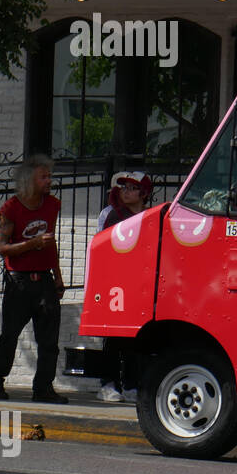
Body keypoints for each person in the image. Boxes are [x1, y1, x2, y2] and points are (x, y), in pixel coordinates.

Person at [0, 154, 68, 404]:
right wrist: (32, 243)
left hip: (44, 280)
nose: (48, 181)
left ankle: (43, 388)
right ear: (28, 180)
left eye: (49, 176)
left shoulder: (52, 205)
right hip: (18, 281)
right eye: (43, 176)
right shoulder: (11, 209)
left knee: (49, 339)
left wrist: (58, 277)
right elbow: (2, 248)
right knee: (10, 335)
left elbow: (51, 245)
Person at [94, 172, 152, 403]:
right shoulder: (112, 215)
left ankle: (130, 384)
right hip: (115, 284)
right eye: (123, 187)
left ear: (144, 193)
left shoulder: (151, 216)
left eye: (132, 187)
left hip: (139, 285)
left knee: (137, 338)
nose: (125, 191)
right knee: (113, 336)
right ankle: (107, 383)